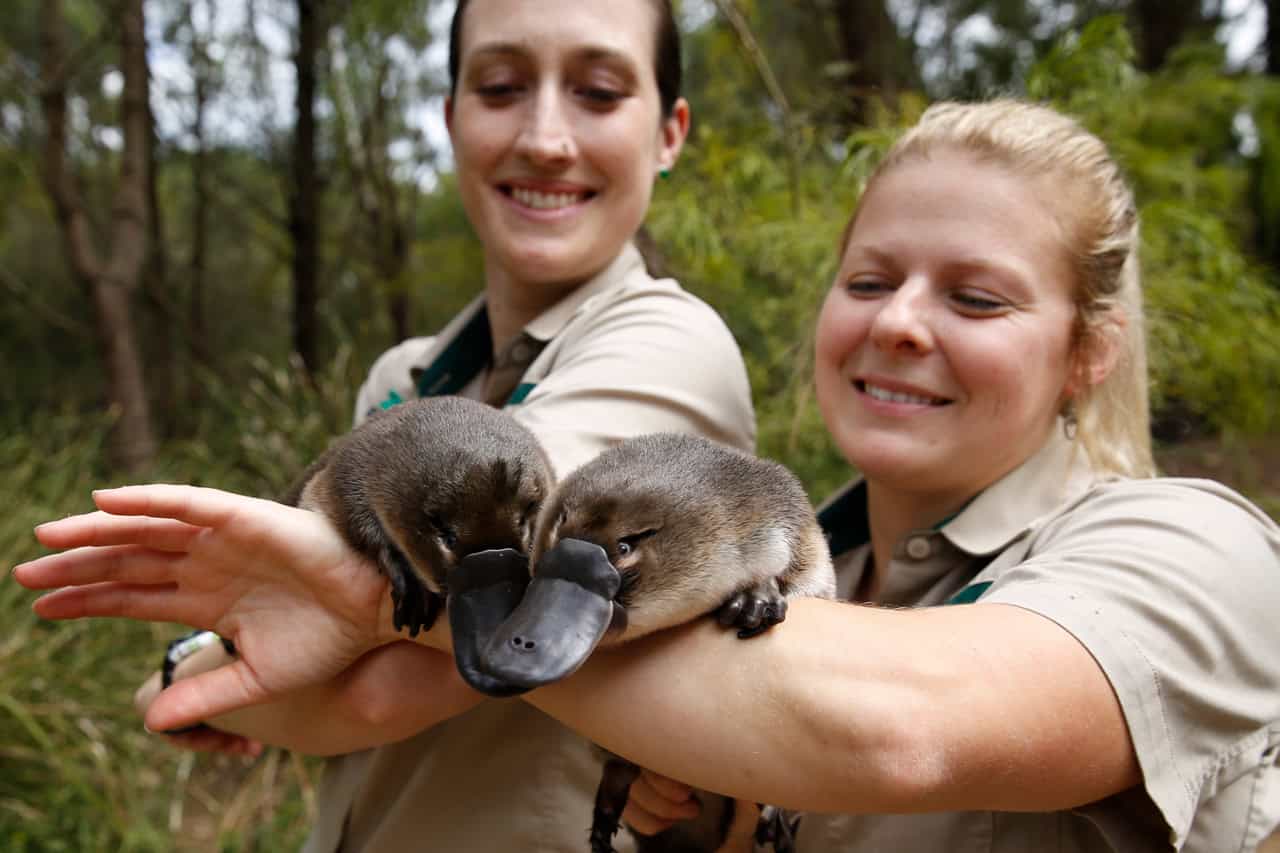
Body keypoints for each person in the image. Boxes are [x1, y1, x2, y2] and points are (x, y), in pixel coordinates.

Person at [16, 99, 1280, 850]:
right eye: (869, 279)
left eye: (975, 296)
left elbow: (899, 728)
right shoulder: (796, 577)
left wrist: (374, 607)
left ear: (1085, 350)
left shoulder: (1196, 553)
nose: (900, 323)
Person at [18, 0, 757, 850]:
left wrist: (198, 667)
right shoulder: (406, 379)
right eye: (502, 86)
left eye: (597, 91)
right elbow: (296, 634)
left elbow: (379, 689)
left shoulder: (670, 348)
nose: (545, 138)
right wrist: (236, 656)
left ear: (669, 132)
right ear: (451, 119)